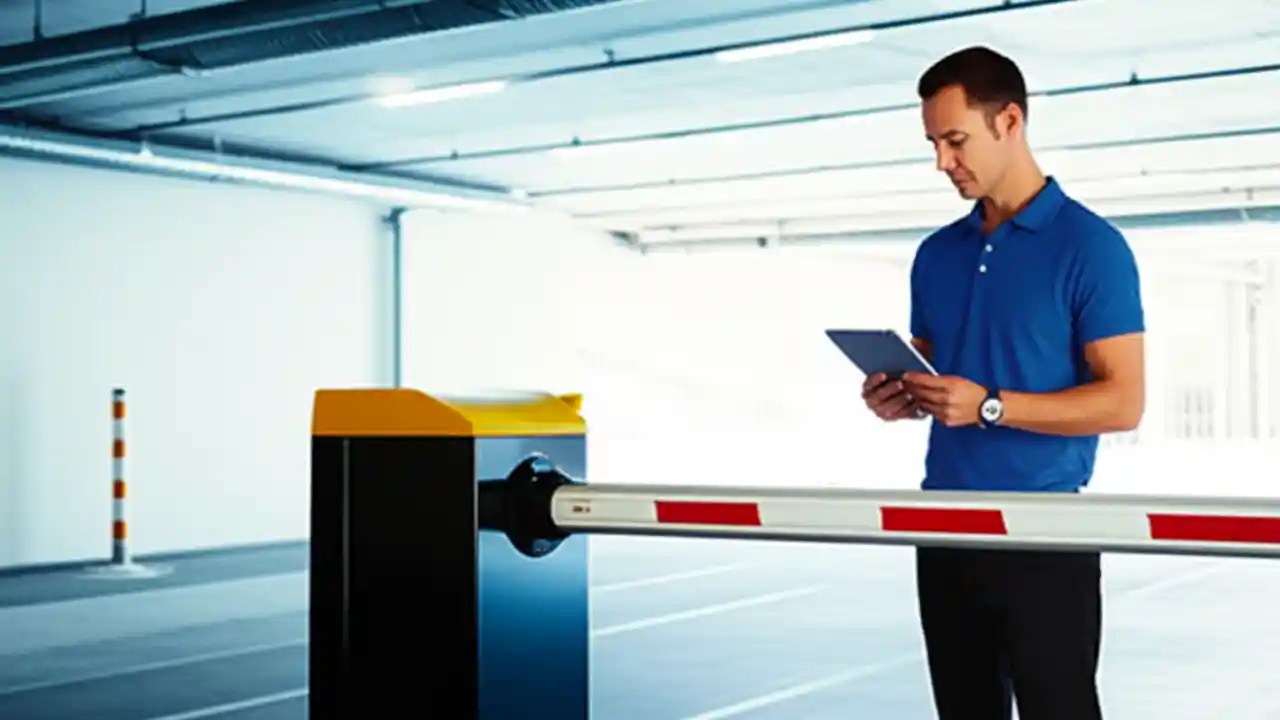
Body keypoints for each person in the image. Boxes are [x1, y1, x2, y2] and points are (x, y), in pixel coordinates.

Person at [861, 46, 1146, 720]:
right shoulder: (936, 255)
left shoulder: (1091, 247)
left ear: (1010, 121)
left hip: (1044, 534)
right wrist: (898, 396)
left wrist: (988, 405)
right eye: (932, 143)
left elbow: (1123, 400)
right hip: (945, 530)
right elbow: (934, 376)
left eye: (955, 140)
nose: (942, 161)